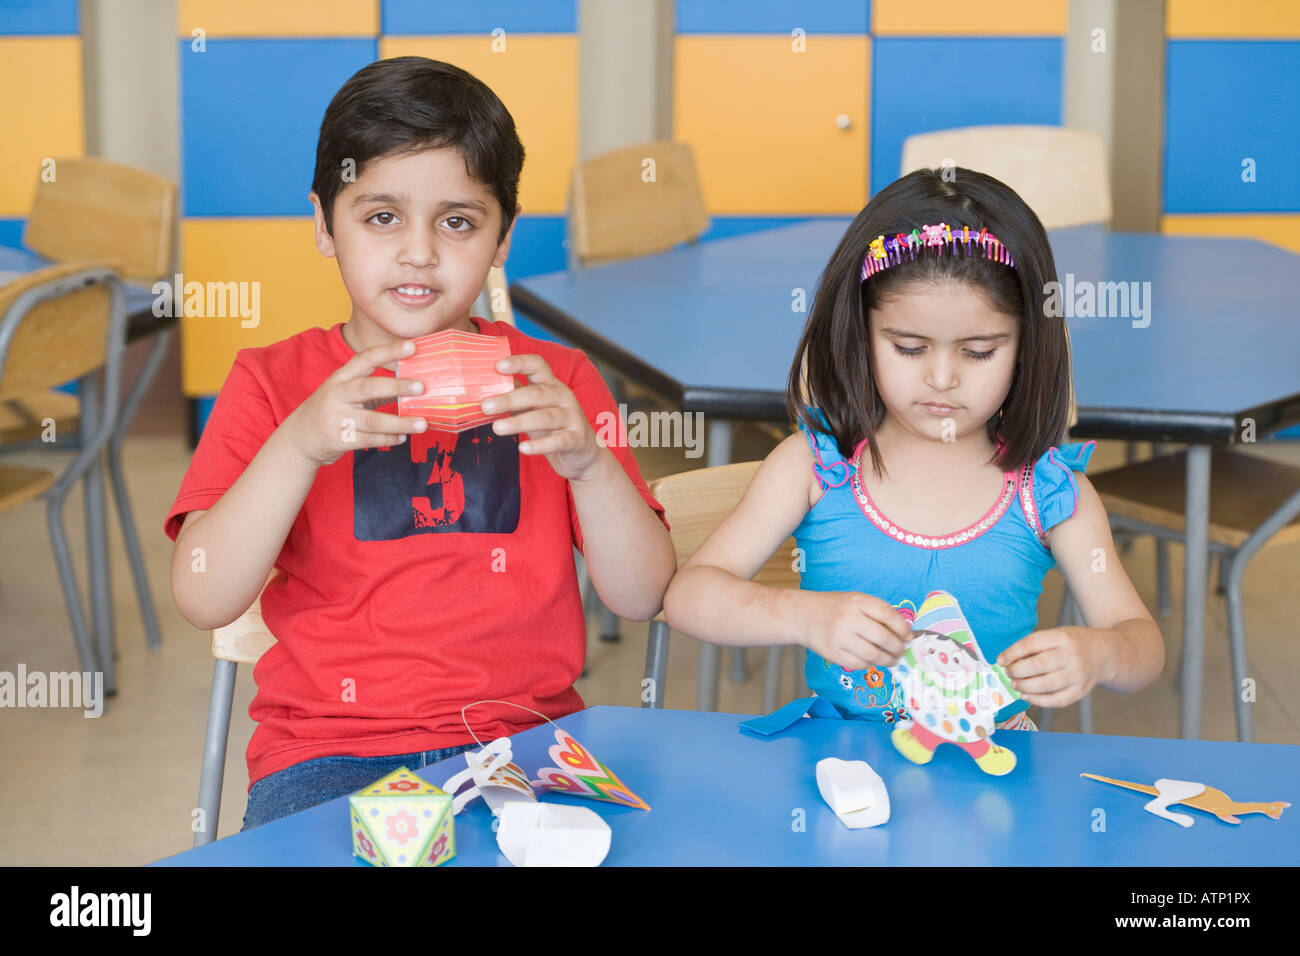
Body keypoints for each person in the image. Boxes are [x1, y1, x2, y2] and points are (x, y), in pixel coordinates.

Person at [166, 57, 675, 830]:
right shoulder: (272, 383)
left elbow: (641, 597)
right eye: (381, 217)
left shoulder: (558, 382)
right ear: (322, 224)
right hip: (330, 753)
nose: (418, 252)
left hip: (529, 740)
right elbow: (203, 594)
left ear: (503, 236)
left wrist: (586, 463)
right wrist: (300, 442)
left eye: (458, 221)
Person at [664, 168, 1163, 763]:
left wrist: (1101, 655)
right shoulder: (815, 467)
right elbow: (690, 597)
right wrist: (801, 615)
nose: (942, 379)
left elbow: (1143, 646)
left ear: (1030, 344)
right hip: (842, 761)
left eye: (980, 351)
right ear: (861, 332)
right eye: (908, 347)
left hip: (991, 764)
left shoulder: (1050, 492)